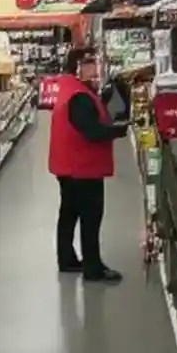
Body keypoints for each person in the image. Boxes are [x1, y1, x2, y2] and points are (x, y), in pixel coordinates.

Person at [48, 47, 128, 283]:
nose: (96, 69)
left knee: (69, 213)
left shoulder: (71, 89)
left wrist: (102, 99)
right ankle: (93, 268)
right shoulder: (79, 96)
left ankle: (67, 259)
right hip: (82, 167)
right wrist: (121, 129)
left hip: (67, 165)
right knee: (91, 217)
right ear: (78, 67)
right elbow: (92, 131)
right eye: (91, 64)